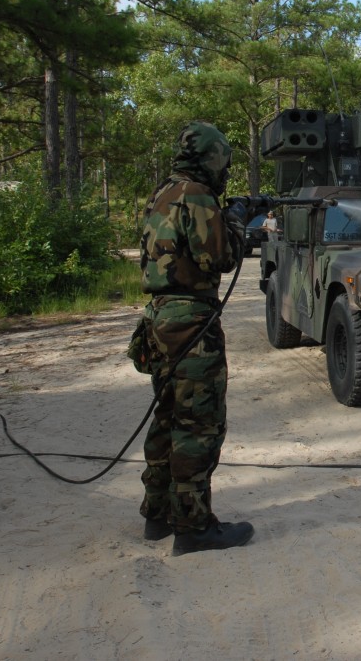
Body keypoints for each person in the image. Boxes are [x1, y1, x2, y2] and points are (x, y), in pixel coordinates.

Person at [136, 120, 255, 554]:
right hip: (191, 322)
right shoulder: (197, 195)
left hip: (160, 320)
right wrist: (237, 221)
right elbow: (219, 257)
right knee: (199, 424)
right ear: (213, 159)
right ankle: (194, 528)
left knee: (167, 416)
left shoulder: (164, 192)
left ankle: (158, 514)